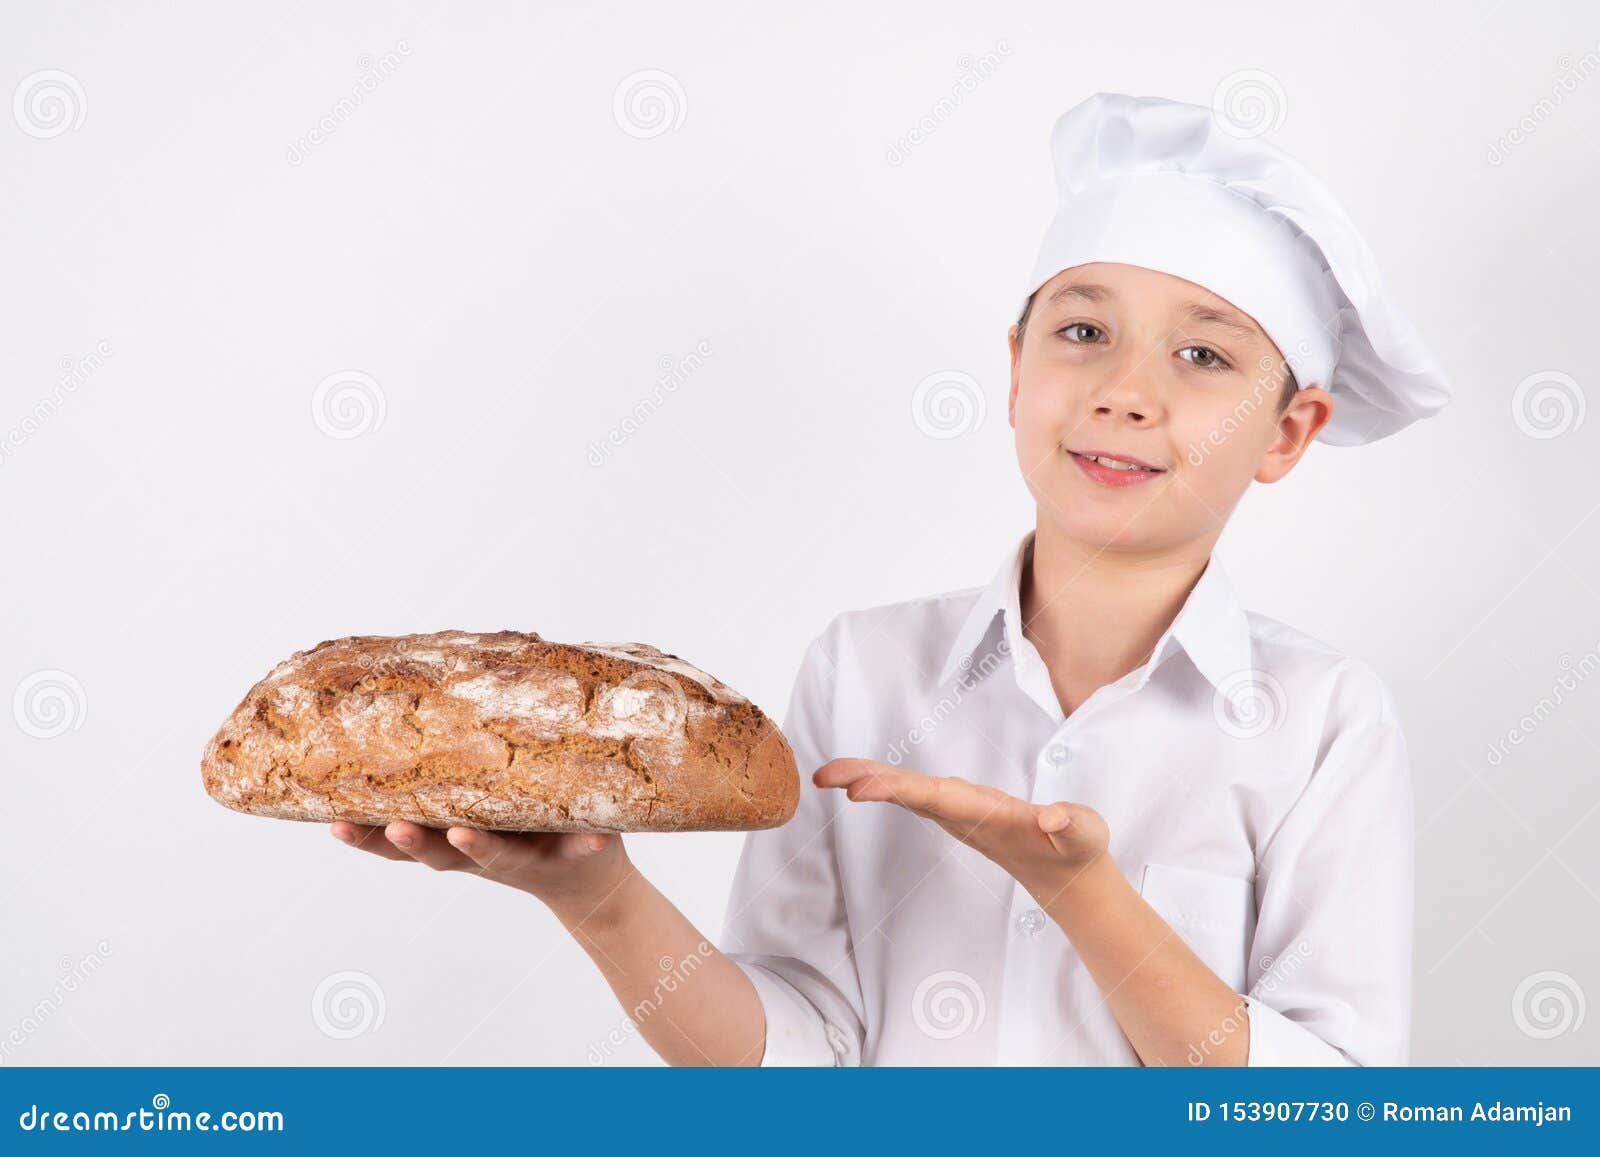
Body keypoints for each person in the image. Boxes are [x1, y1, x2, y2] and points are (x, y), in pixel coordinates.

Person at [330, 92, 1450, 1066]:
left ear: (1289, 430)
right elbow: (796, 1056)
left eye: (1202, 353)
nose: (1124, 390)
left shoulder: (1320, 721)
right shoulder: (864, 669)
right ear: (1016, 373)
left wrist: (1083, 896)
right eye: (1081, 329)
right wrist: (599, 895)